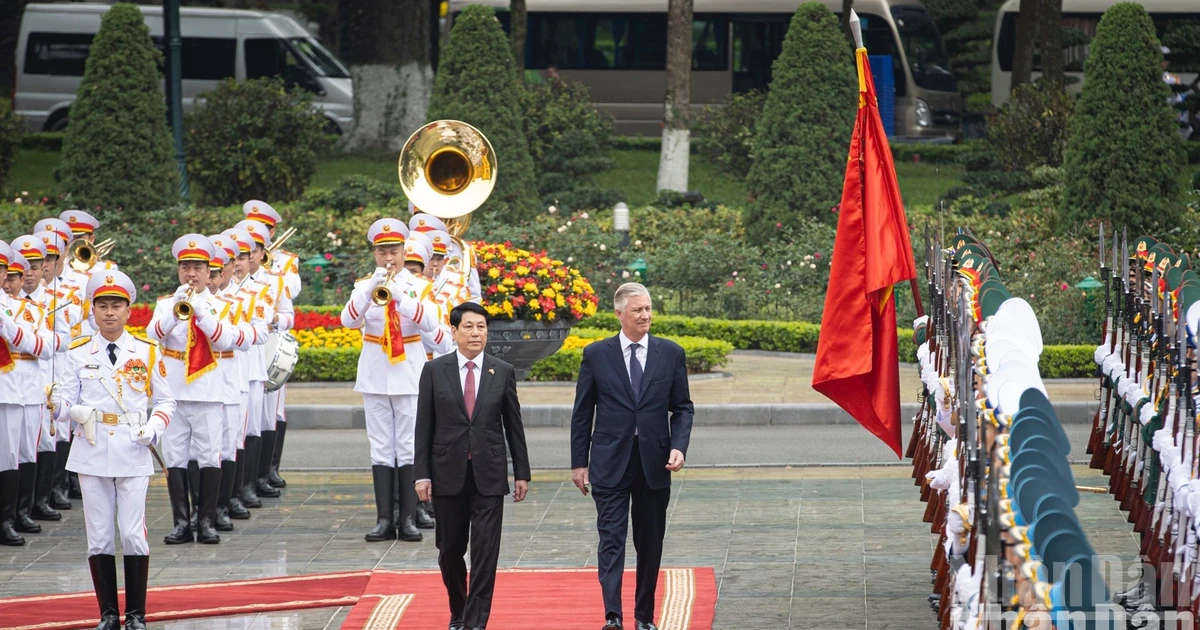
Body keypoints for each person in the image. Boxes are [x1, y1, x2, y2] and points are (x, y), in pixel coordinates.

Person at [53, 270, 174, 630]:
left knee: (133, 532)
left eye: (116, 306)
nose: (109, 312)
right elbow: (63, 400)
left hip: (133, 449)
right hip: (91, 448)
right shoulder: (76, 352)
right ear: (93, 310)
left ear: (129, 311)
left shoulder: (147, 352)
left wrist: (153, 428)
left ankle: (136, 614)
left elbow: (167, 400)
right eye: (102, 306)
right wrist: (58, 407)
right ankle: (108, 614)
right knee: (100, 534)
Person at [570, 282, 694, 630]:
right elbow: (582, 413)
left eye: (649, 308)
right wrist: (579, 463)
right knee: (611, 538)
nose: (646, 315)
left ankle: (644, 617)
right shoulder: (597, 354)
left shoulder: (670, 353)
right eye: (638, 310)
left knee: (649, 542)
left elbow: (683, 408)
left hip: (654, 464)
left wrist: (679, 446)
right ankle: (613, 614)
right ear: (619, 314)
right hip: (609, 462)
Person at [415, 301, 531, 630]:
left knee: (484, 551)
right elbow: (423, 426)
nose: (476, 333)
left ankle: (475, 622)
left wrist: (521, 472)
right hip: (446, 473)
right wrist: (421, 474)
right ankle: (458, 609)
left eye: (481, 327)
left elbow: (514, 426)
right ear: (453, 332)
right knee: (449, 550)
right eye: (468, 326)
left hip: (489, 475)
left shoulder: (501, 371)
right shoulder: (435, 371)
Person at [340, 218, 440, 543]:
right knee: (381, 447)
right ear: (374, 253)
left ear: (403, 251)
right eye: (383, 251)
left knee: (409, 446)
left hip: (409, 374)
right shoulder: (363, 285)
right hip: (374, 373)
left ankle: (408, 518)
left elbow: (433, 326)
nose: (389, 258)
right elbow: (347, 320)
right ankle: (384, 519)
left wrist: (402, 296)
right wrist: (370, 292)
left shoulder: (420, 286)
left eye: (394, 251)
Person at [146, 235, 239, 545]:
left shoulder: (220, 304)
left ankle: (207, 521)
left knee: (210, 456)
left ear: (208, 270)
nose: (191, 274)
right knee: (175, 457)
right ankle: (181, 523)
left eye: (198, 268)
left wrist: (199, 310)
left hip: (207, 390)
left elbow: (225, 340)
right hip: (173, 390)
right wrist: (176, 310)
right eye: (186, 267)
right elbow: (153, 333)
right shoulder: (165, 303)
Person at [241, 201, 300, 489]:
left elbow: (292, 302)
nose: (249, 254)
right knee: (242, 422)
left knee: (268, 415)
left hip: (267, 352)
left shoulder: (280, 270)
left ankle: (265, 472)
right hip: (238, 355)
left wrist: (274, 317)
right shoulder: (227, 276)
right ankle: (245, 482)